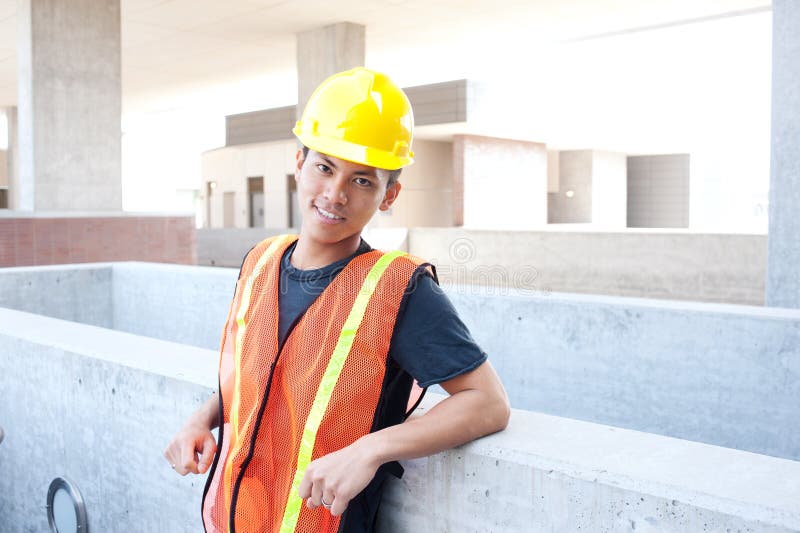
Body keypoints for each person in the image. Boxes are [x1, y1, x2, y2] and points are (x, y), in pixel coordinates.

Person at [164, 67, 510, 533]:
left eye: (363, 181)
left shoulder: (398, 289)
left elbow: (487, 403)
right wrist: (202, 417)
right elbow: (262, 374)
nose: (335, 194)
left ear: (390, 195)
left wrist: (372, 449)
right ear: (299, 164)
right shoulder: (260, 263)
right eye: (324, 167)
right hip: (236, 519)